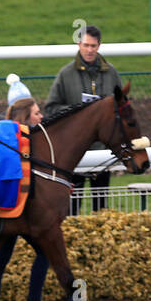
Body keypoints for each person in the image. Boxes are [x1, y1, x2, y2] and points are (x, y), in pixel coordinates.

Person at [0, 77, 61, 301]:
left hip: (9, 210)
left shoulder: (8, 134)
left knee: (0, 257)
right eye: (38, 112)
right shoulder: (18, 141)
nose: (42, 116)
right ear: (26, 115)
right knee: (43, 251)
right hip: (16, 213)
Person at [47, 24, 122, 215]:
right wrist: (79, 112)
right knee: (72, 205)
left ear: (99, 46)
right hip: (74, 151)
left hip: (102, 149)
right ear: (79, 44)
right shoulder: (65, 74)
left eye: (93, 46)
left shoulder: (111, 73)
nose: (89, 50)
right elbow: (51, 108)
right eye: (86, 45)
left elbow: (121, 108)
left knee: (101, 204)